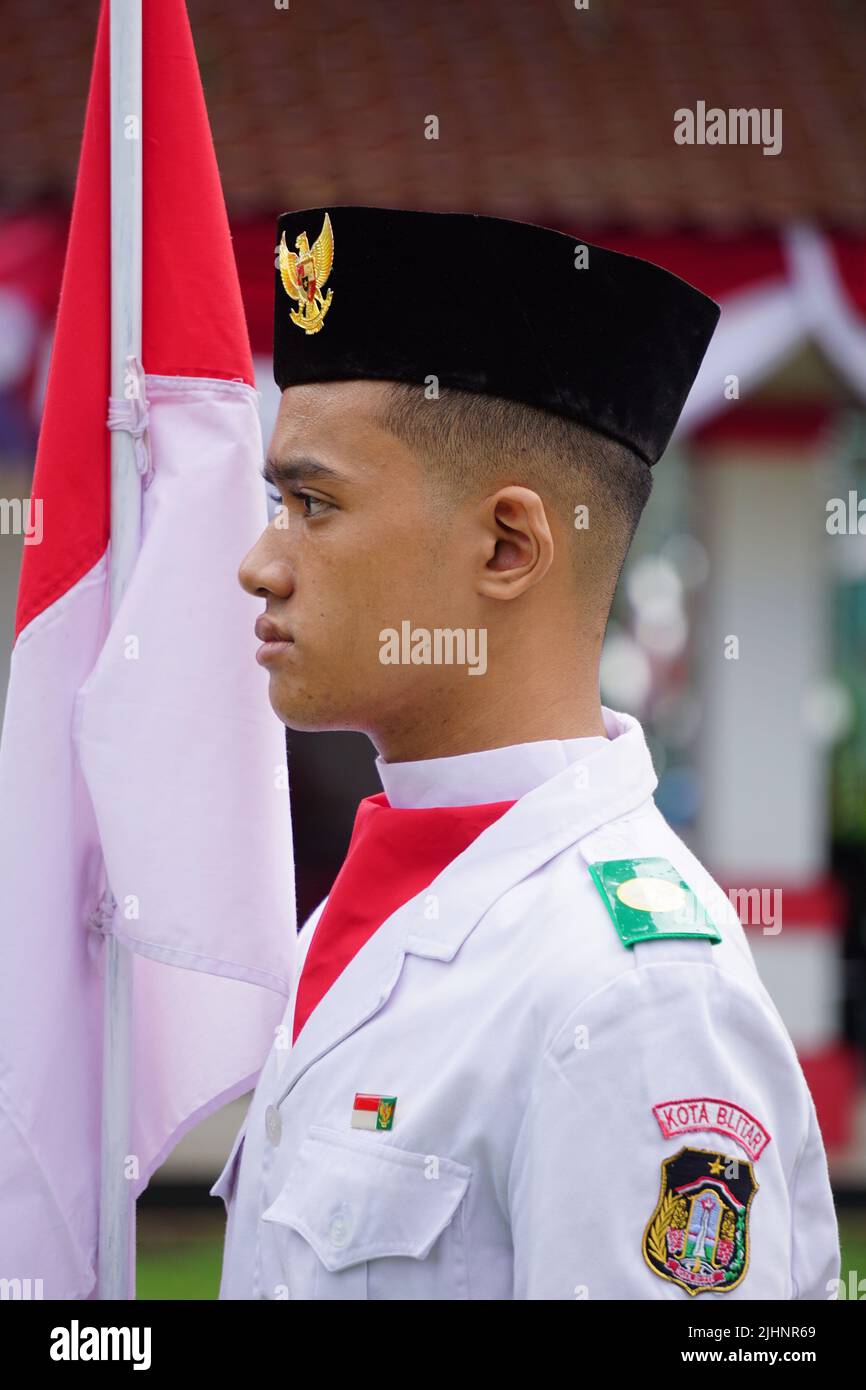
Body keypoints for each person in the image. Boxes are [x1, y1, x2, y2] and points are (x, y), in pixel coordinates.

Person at [210, 206, 840, 1300]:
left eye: (312, 502)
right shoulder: (375, 910)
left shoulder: (633, 994)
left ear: (507, 545)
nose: (260, 565)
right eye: (277, 502)